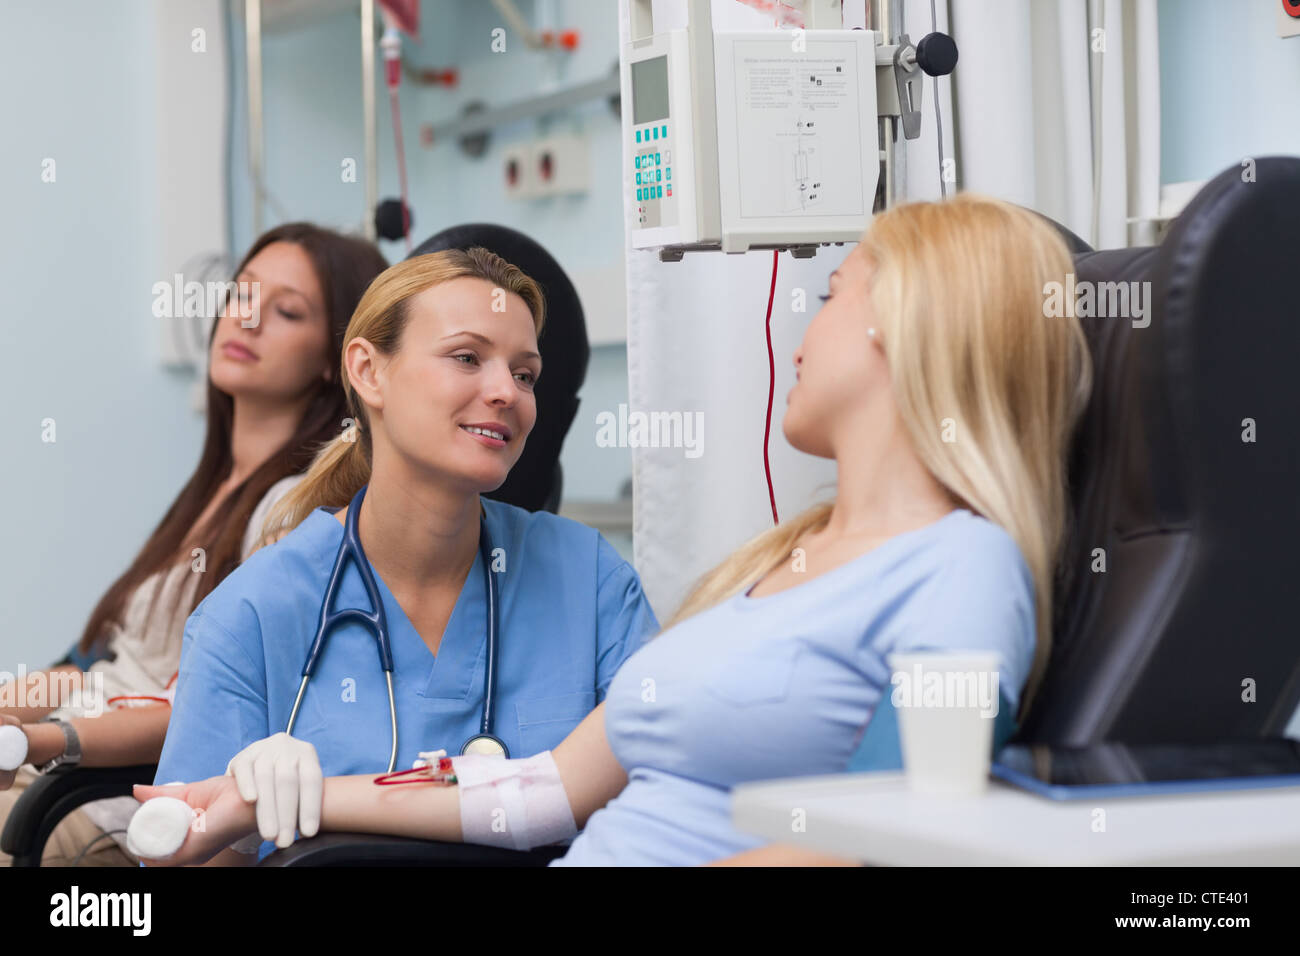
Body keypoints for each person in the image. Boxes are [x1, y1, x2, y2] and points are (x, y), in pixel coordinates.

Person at [135, 194, 1092, 867]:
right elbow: (541, 794)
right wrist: (272, 797)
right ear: (367, 374)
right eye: (466, 358)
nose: (804, 327)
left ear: (910, 325)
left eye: (834, 290)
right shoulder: (773, 568)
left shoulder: (962, 569)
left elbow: (899, 840)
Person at [149, 247, 659, 863]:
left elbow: (661, 794)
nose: (507, 392)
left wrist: (319, 799)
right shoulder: (253, 613)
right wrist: (239, 826)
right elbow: (180, 849)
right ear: (368, 371)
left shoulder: (589, 579)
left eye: (525, 375)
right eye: (467, 357)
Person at [0, 223, 387, 865]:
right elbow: (101, 660)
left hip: (111, 808)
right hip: (59, 765)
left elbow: (200, 707)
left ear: (336, 359)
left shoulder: (292, 512)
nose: (249, 319)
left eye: (287, 310)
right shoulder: (212, 490)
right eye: (242, 295)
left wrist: (45, 738)